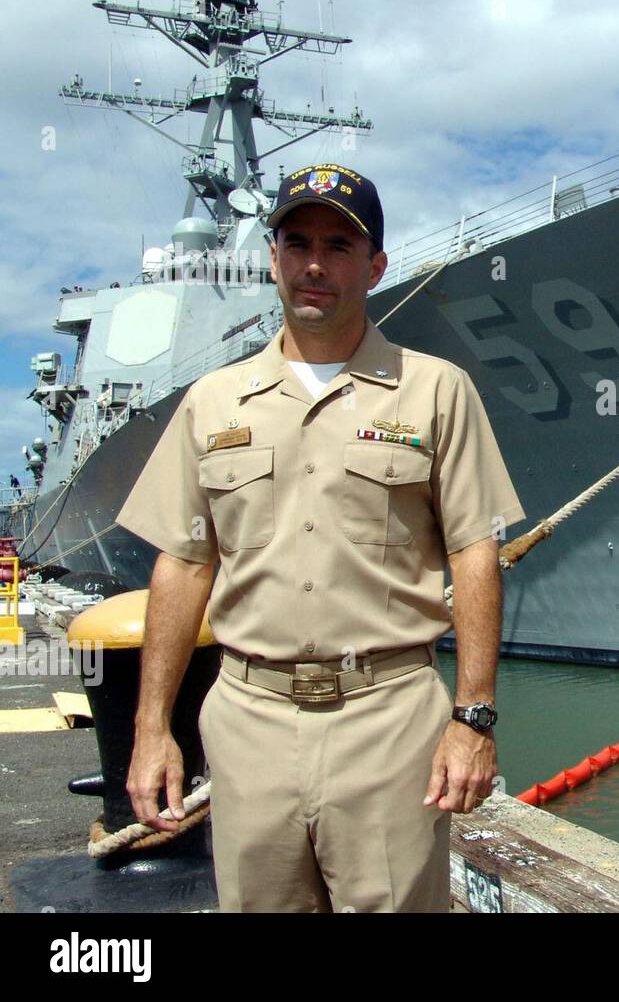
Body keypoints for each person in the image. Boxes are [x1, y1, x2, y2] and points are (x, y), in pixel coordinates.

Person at [116, 163, 525, 912]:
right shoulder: (210, 403)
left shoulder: (436, 391)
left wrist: (474, 718)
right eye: (296, 240)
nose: (314, 263)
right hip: (248, 720)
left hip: (390, 720)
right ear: (271, 256)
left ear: (375, 267)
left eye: (339, 245)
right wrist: (152, 731)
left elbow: (475, 550)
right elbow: (182, 564)